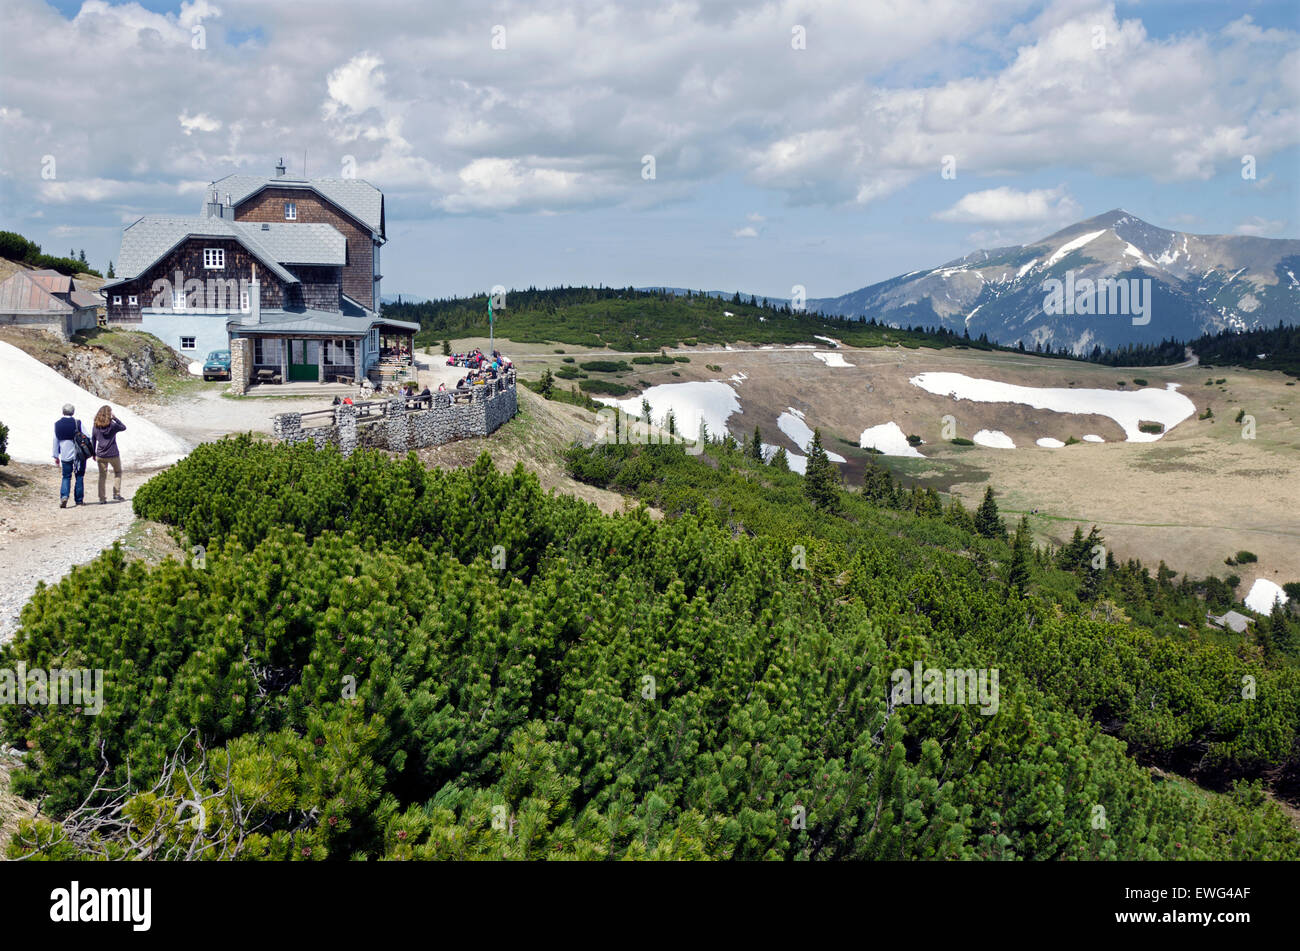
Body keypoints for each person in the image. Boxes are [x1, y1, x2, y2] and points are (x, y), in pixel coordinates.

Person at [51, 403, 88, 508]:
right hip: (79, 454)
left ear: (63, 412)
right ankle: (79, 500)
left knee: (66, 476)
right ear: (73, 412)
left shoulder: (57, 424)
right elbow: (87, 436)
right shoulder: (78, 423)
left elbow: (55, 440)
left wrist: (55, 455)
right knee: (79, 476)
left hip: (65, 454)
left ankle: (64, 496)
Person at [91, 405, 126, 504]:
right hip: (113, 453)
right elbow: (123, 427)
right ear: (109, 414)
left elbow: (93, 439)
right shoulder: (113, 425)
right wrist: (115, 418)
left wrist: (93, 453)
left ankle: (102, 498)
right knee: (118, 472)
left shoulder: (96, 425)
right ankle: (116, 494)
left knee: (102, 476)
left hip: (101, 454)